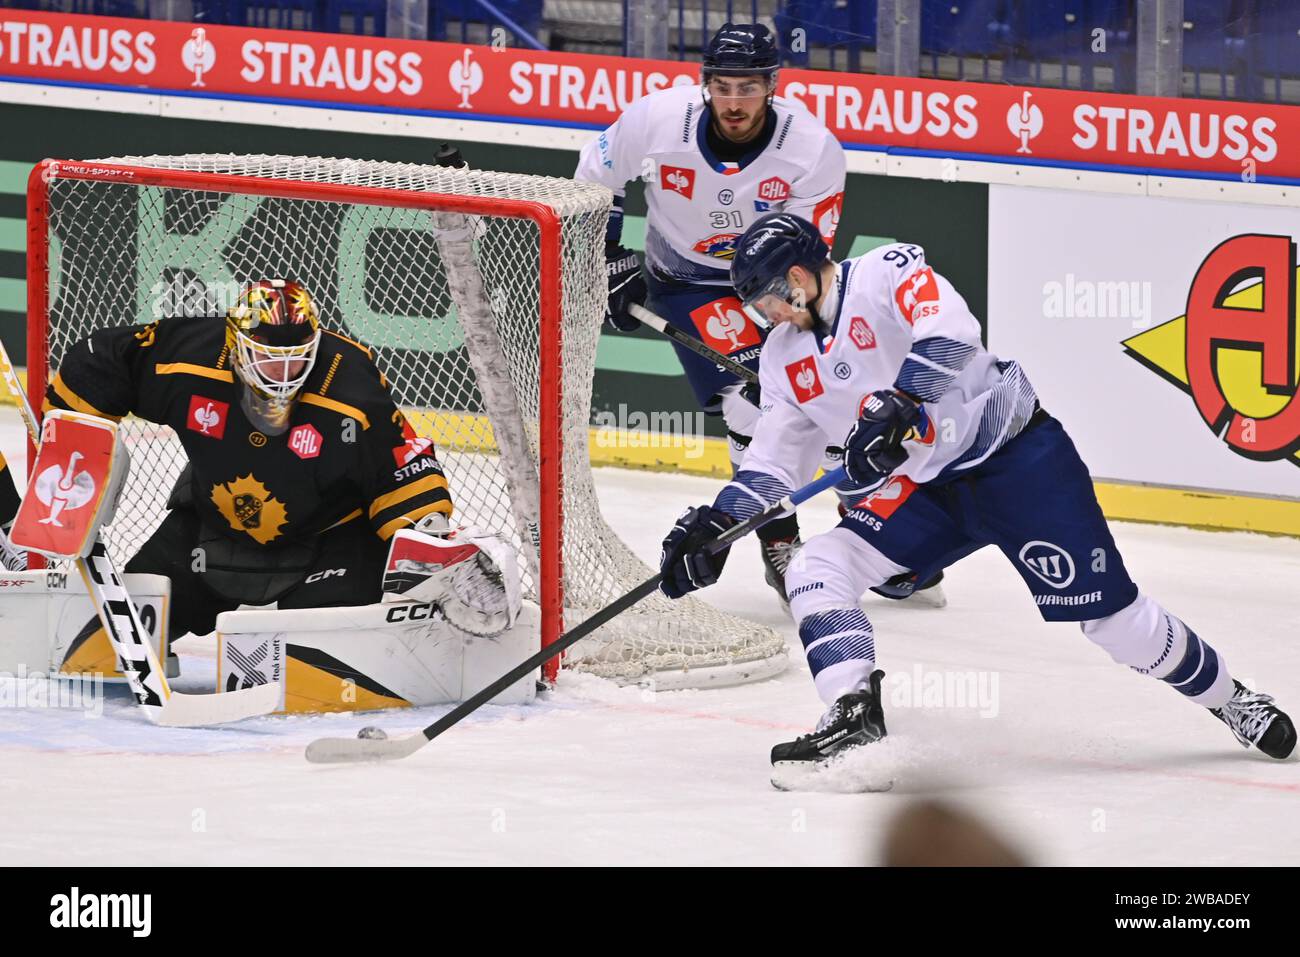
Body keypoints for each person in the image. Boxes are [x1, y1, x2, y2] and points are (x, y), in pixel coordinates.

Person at [657, 213, 1295, 783]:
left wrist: (901, 401)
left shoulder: (884, 272)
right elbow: (773, 461)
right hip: (925, 489)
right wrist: (718, 522)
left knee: (1115, 623)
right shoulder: (781, 355)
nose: (763, 314)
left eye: (766, 298)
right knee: (815, 566)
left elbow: (951, 333)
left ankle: (1231, 699)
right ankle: (852, 714)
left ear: (795, 277)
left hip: (1018, 462)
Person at [574, 21, 850, 606]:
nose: (734, 101)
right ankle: (780, 542)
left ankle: (880, 519)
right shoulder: (657, 120)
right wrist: (607, 257)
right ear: (706, 85)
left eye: (747, 87)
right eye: (723, 87)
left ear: (772, 85)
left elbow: (807, 254)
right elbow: (595, 173)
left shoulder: (811, 149)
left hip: (773, 278)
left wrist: (783, 315)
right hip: (688, 280)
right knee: (749, 401)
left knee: (830, 400)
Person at [43, 280, 457, 650]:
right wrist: (70, 441)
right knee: (98, 646)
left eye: (296, 358)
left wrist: (431, 548)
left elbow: (400, 465)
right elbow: (104, 357)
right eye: (267, 357)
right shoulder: (191, 356)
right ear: (236, 343)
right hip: (212, 528)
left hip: (331, 540)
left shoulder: (350, 386)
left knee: (322, 662)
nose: (283, 373)